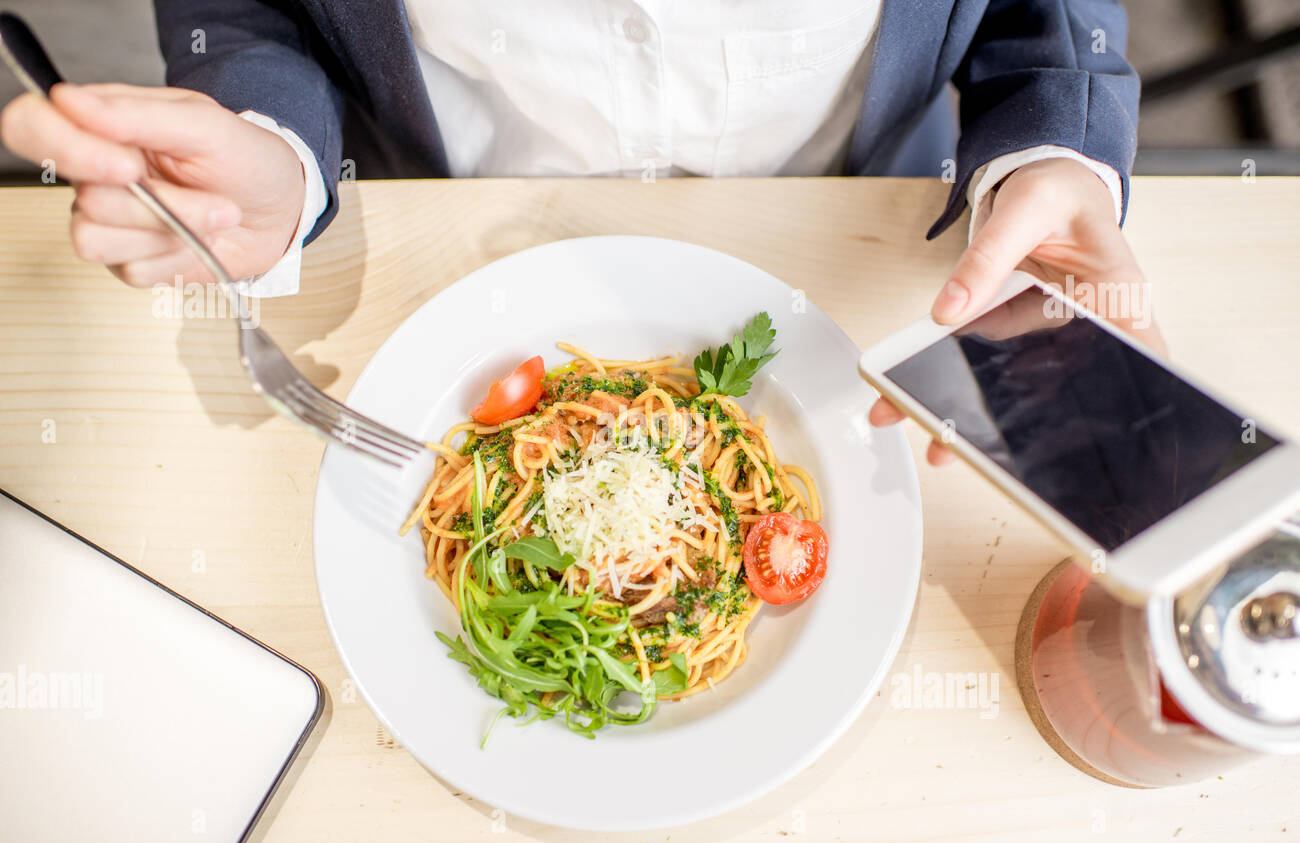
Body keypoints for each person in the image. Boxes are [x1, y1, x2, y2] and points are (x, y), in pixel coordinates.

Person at [0, 1, 1148, 464]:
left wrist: (1054, 150)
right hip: (426, 235)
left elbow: (1046, 23)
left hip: (856, 246)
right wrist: (278, 146)